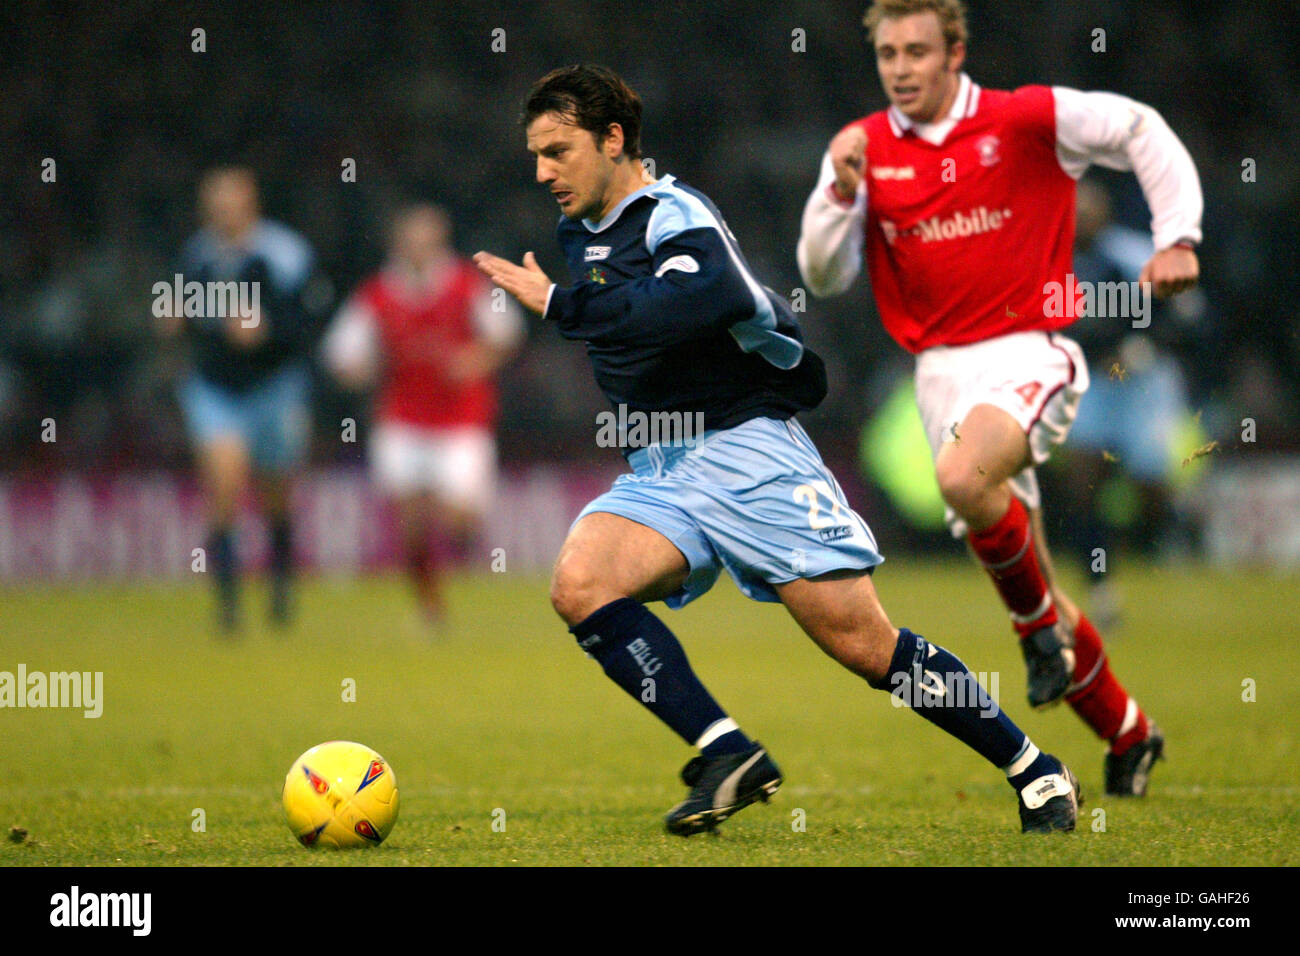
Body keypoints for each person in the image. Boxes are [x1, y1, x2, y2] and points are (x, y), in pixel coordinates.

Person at [474, 63, 1080, 836]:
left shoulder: (672, 212)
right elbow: (630, 329)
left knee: (865, 646)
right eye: (535, 154)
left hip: (747, 455)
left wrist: (566, 305)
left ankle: (1035, 772)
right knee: (581, 583)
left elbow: (709, 299)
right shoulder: (578, 232)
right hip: (661, 467)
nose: (542, 171)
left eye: (557, 150)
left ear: (614, 138)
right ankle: (726, 754)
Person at [797, 0, 1203, 796]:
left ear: (955, 52)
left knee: (960, 480)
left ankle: (1030, 636)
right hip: (938, 375)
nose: (901, 68)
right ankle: (1128, 733)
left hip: (1028, 351)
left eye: (917, 50)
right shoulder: (864, 147)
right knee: (1043, 582)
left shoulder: (1026, 118)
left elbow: (1140, 129)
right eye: (888, 54)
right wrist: (840, 193)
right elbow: (822, 275)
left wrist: (1177, 235)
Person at [322, 205, 524, 628]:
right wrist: (361, 370)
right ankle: (430, 607)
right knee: (412, 527)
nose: (419, 248)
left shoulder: (467, 285)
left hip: (462, 422)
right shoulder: (376, 293)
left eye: (427, 241)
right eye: (412, 241)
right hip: (402, 422)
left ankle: (459, 551)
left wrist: (475, 360)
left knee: (461, 521)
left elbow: (507, 335)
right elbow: (340, 356)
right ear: (398, 244)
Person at [160, 167, 326, 633]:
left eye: (230, 203)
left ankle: (279, 589)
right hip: (215, 388)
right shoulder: (197, 255)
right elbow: (181, 311)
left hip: (276, 387)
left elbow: (312, 315)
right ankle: (228, 606)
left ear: (250, 204)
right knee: (225, 486)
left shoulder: (285, 252)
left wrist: (268, 329)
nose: (222, 212)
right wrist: (173, 317)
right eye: (215, 204)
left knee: (276, 494)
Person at [1054, 178, 1203, 629]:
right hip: (1093, 381)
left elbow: (1190, 316)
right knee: (1083, 481)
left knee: (1150, 488)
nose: (1079, 220)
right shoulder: (1051, 259)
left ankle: (1179, 537)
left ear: (1104, 213)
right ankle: (1101, 587)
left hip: (1145, 381)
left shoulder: (1134, 254)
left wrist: (1145, 344)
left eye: (1086, 211)